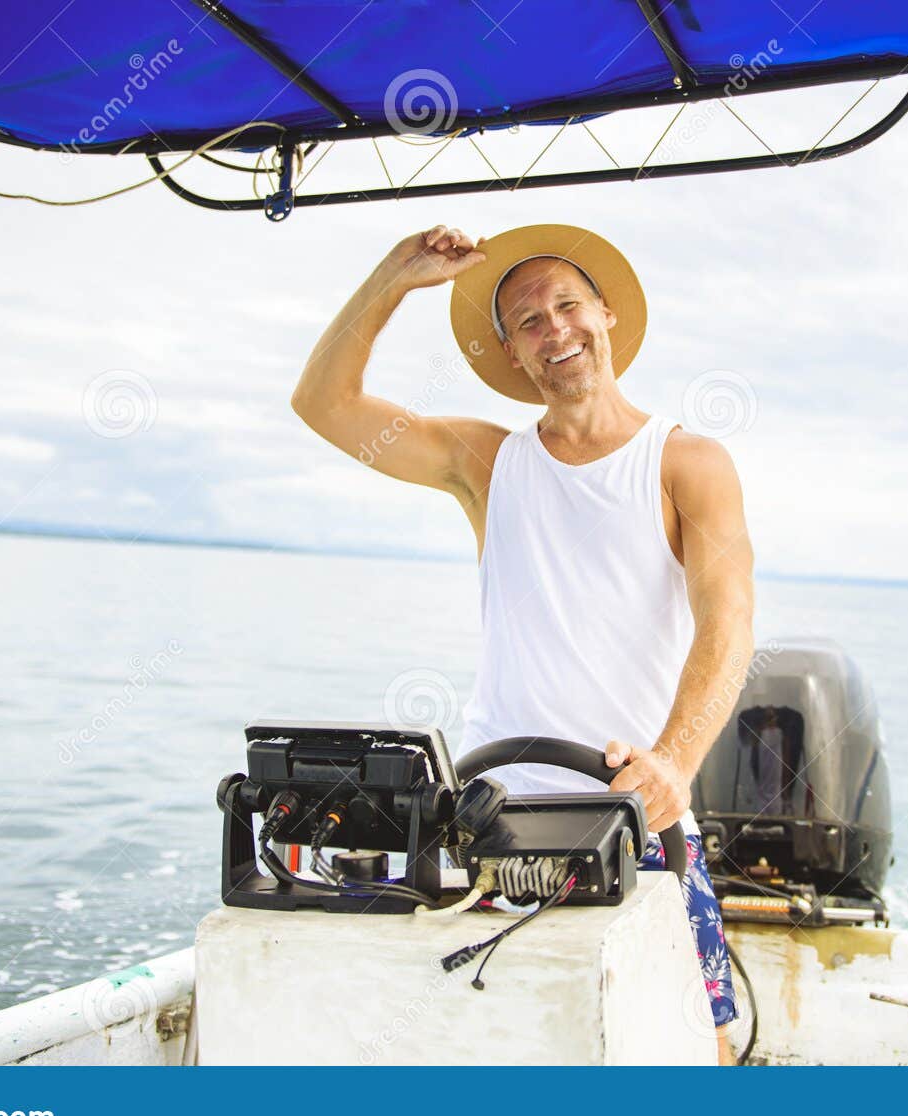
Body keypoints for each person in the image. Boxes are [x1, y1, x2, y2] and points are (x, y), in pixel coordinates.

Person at [292, 223, 756, 1064]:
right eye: (529, 322)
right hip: (492, 820)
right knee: (502, 1038)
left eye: (568, 306)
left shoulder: (688, 462)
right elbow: (323, 405)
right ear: (512, 354)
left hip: (636, 813)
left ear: (607, 315)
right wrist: (394, 278)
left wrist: (674, 762)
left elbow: (729, 624)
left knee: (698, 1042)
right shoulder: (485, 459)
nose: (556, 331)